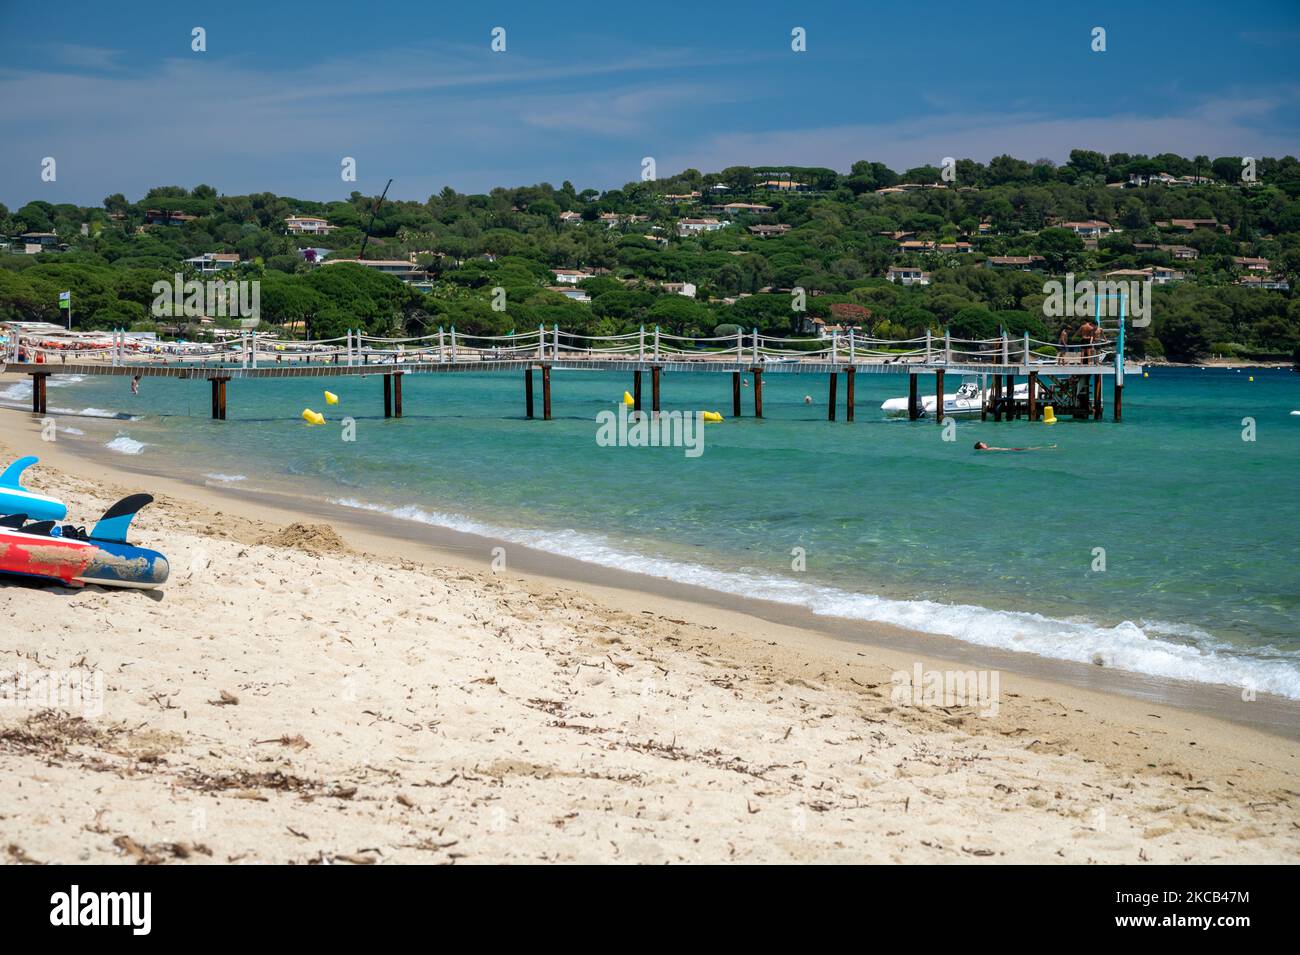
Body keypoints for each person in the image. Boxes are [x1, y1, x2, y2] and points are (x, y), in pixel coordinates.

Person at [974, 441, 1057, 452]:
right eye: (983, 443)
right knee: (1029, 449)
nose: (985, 443)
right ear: (981, 447)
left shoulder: (987, 450)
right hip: (1011, 450)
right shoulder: (987, 450)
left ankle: (1050, 447)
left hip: (1010, 450)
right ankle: (1050, 447)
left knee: (1029, 448)